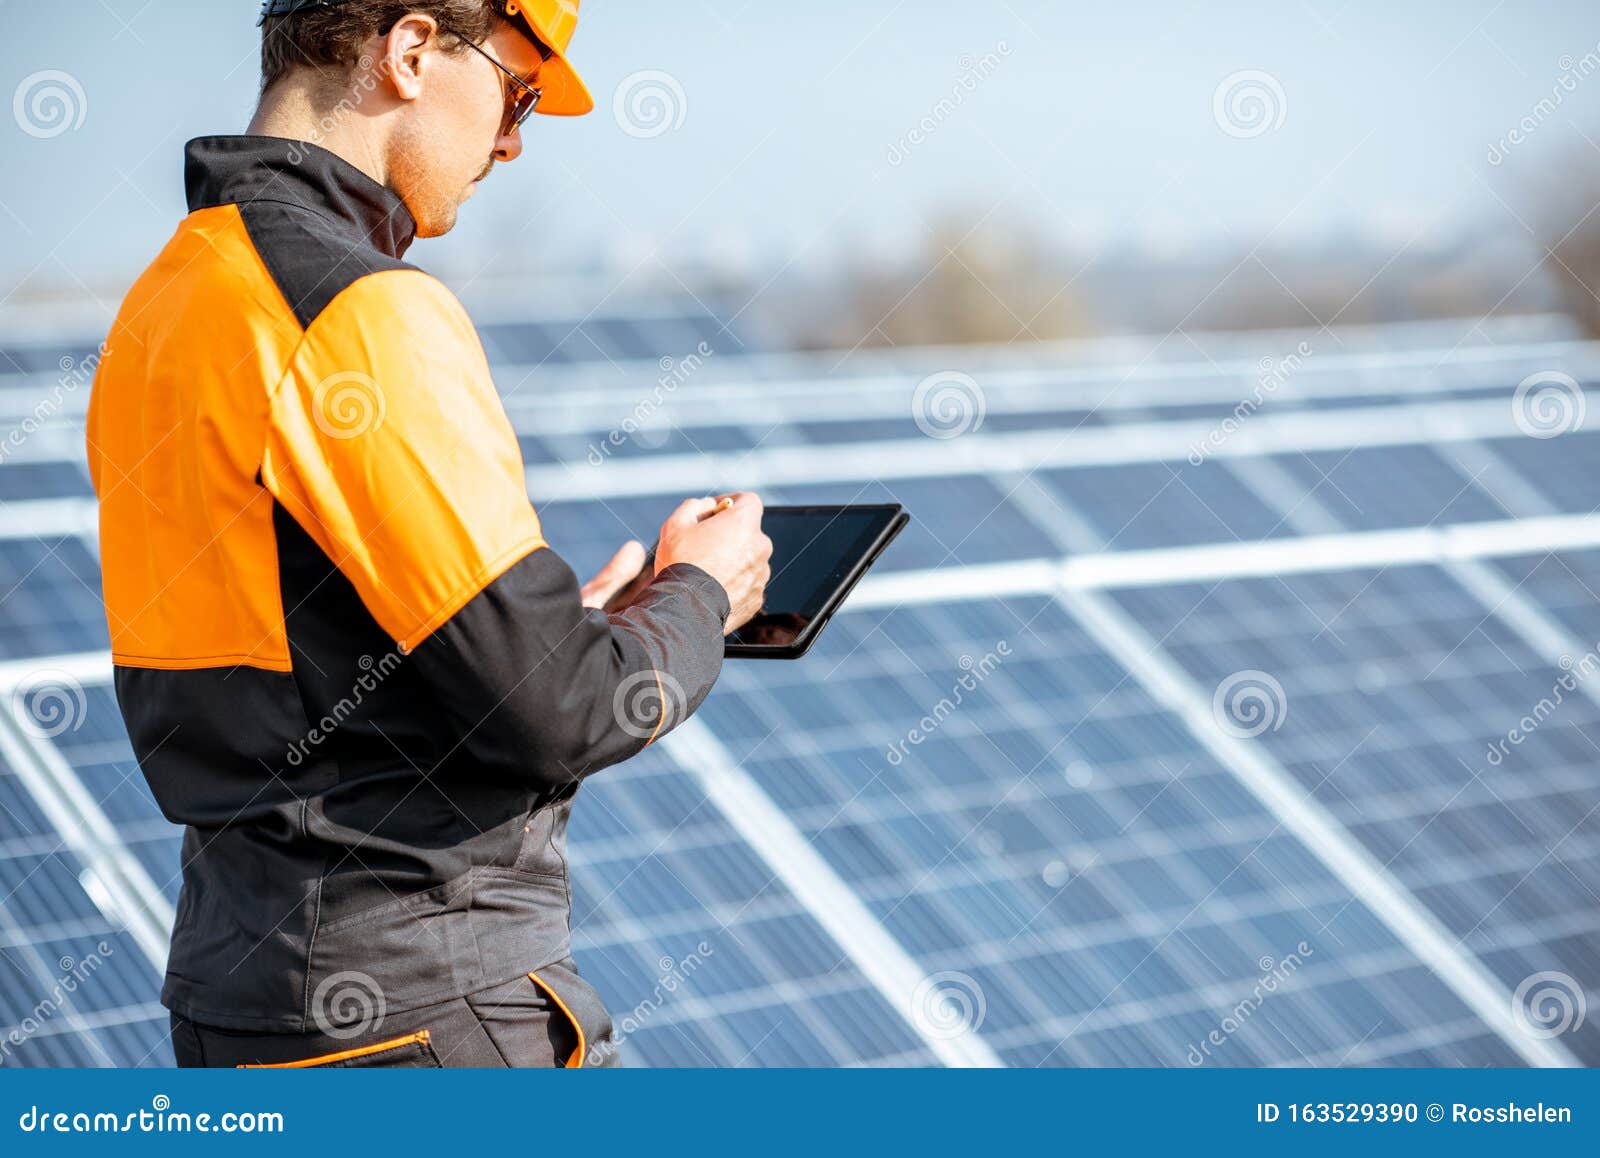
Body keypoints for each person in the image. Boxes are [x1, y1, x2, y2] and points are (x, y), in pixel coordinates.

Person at [85, 0, 771, 1068]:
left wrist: (535, 633)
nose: (513, 138)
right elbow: (566, 708)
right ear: (408, 51)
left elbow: (288, 670)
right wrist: (699, 595)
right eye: (519, 88)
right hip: (425, 1012)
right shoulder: (361, 310)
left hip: (242, 1003)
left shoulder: (167, 303)